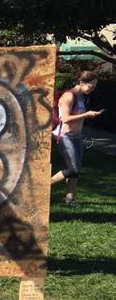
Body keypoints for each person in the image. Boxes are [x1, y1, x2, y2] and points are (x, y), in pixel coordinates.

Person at [50, 70, 103, 206]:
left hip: (77, 137)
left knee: (76, 170)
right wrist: (86, 114)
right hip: (65, 136)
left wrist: (89, 115)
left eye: (94, 87)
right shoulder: (68, 96)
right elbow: (65, 118)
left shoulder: (81, 97)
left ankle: (70, 199)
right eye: (91, 86)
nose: (92, 89)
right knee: (72, 169)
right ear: (81, 82)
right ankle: (43, 185)